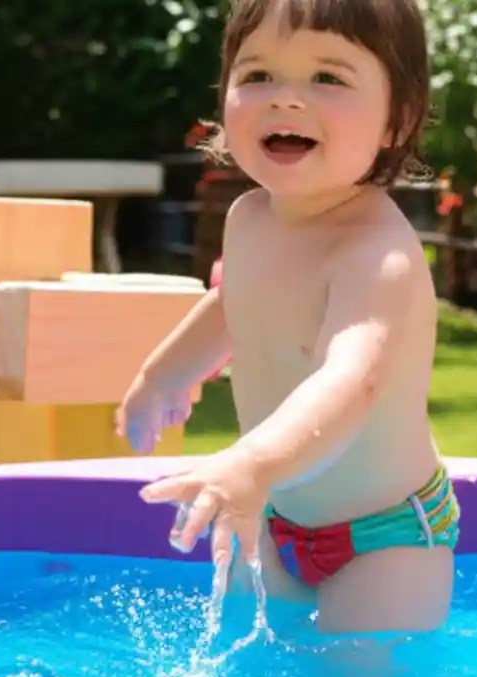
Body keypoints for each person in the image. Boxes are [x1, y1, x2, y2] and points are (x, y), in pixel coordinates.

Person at [116, 0, 459, 635]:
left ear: (398, 119)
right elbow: (237, 303)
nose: (286, 100)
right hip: (279, 516)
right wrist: (163, 375)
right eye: (258, 76)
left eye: (328, 79)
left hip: (387, 537)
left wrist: (252, 464)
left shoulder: (375, 255)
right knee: (258, 672)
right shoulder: (249, 218)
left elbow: (348, 384)